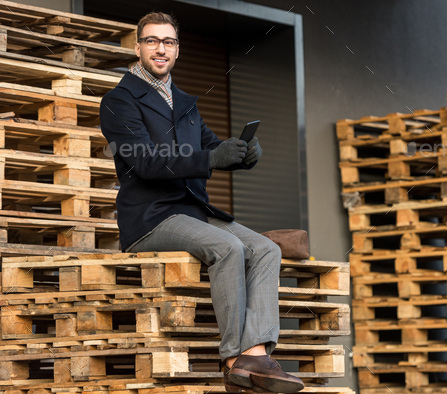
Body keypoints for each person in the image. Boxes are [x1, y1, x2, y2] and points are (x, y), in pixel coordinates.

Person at [99, 12, 304, 394]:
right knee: (227, 246)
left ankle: (256, 354)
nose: (161, 49)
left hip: (191, 211)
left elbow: (210, 146)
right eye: (152, 41)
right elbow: (144, 161)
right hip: (151, 218)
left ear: (177, 49)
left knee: (264, 249)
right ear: (138, 46)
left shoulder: (183, 102)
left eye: (169, 42)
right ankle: (232, 362)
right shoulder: (119, 101)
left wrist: (242, 153)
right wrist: (212, 158)